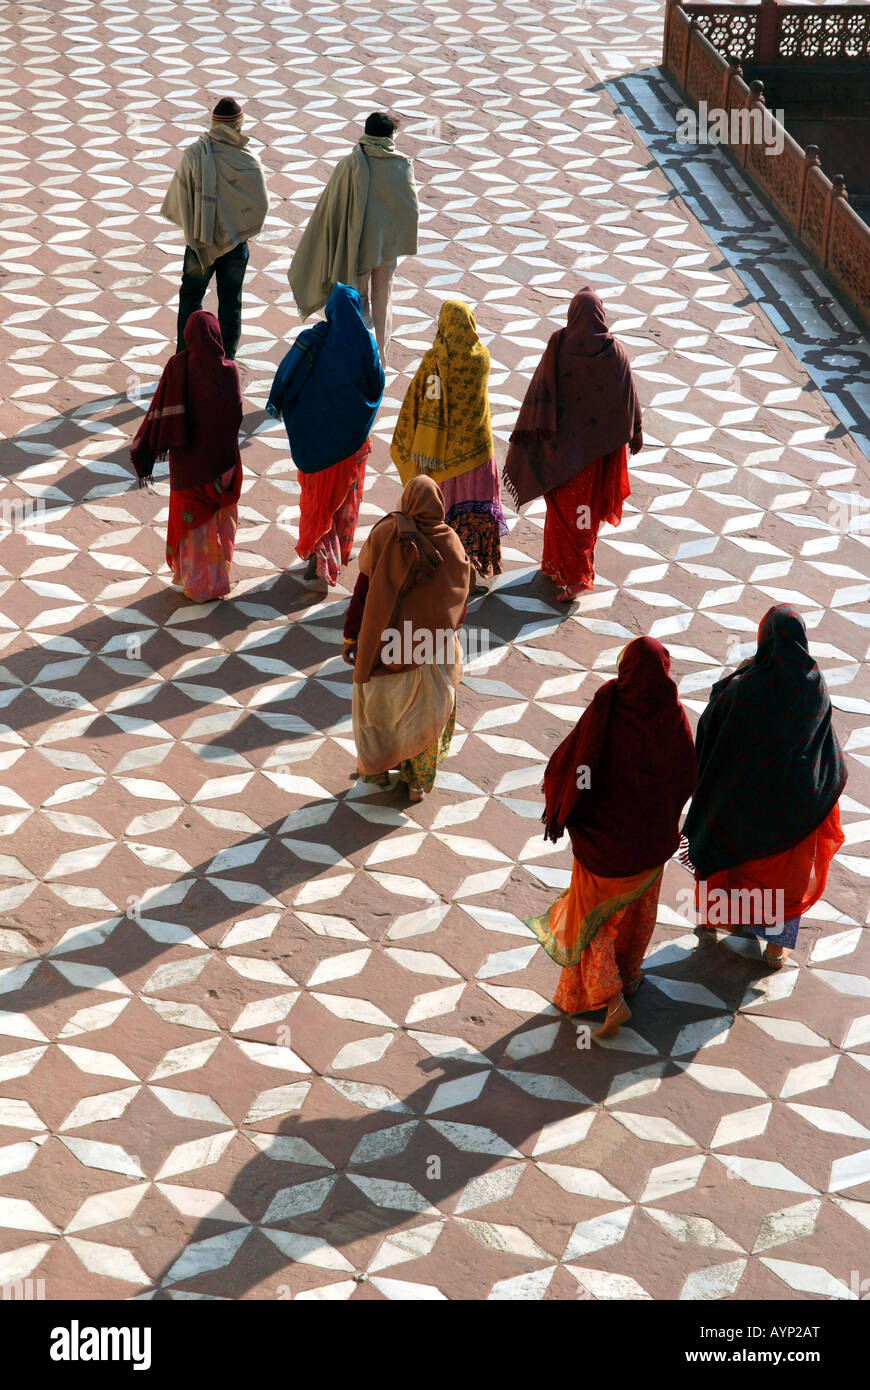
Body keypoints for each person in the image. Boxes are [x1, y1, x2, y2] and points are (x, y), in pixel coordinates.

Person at [527, 637, 697, 1038]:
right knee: (636, 913)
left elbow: (580, 762)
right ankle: (631, 976)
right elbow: (687, 772)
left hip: (606, 845)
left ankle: (610, 999)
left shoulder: (609, 702)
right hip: (653, 844)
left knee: (591, 921)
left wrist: (570, 809)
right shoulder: (671, 711)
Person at [683, 605, 846, 969]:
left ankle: (717, 916)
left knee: (731, 860)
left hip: (741, 805)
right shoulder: (813, 682)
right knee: (784, 877)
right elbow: (822, 740)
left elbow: (713, 724)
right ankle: (775, 948)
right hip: (795, 808)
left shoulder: (746, 689)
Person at [503, 287, 643, 602]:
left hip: (561, 454)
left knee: (566, 513)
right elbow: (628, 395)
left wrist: (533, 435)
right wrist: (636, 430)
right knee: (584, 514)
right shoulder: (615, 351)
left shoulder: (559, 344)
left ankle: (576, 576)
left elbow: (539, 391)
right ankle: (559, 567)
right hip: (595, 457)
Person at [343, 476, 472, 803]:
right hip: (432, 649)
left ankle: (379, 770)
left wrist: (350, 636)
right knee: (425, 715)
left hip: (384, 648)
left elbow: (363, 591)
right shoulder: (452, 542)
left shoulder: (387, 533)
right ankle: (416, 784)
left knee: (383, 711)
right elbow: (461, 603)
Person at [266, 284, 385, 587]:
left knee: (315, 499)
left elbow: (288, 377)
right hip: (350, 445)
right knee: (343, 503)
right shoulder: (365, 346)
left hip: (313, 443)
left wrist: (289, 406)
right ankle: (329, 558)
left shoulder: (312, 339)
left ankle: (316, 553)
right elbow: (376, 386)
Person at [288, 111, 419, 366]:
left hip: (356, 249)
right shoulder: (401, 164)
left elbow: (331, 207)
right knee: (383, 299)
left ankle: (353, 356)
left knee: (354, 303)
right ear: (390, 136)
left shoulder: (350, 164)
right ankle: (380, 357)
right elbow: (410, 207)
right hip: (386, 249)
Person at [390, 300, 507, 585]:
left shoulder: (436, 360)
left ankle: (445, 577)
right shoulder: (482, 356)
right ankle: (468, 578)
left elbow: (421, 399)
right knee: (472, 519)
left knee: (444, 519)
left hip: (443, 462)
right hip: (479, 459)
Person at [130, 310, 243, 602]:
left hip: (190, 468)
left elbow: (164, 411)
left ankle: (197, 583)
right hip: (223, 464)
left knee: (193, 524)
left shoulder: (178, 367)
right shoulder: (229, 371)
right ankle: (219, 578)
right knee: (220, 520)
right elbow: (236, 417)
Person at [161, 97, 269, 359]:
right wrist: (236, 228)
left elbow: (179, 198)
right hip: (235, 246)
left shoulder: (195, 153)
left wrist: (200, 226)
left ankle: (183, 360)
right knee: (231, 303)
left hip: (200, 243)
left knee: (190, 298)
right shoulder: (248, 159)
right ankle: (227, 363)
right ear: (239, 125)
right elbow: (261, 205)